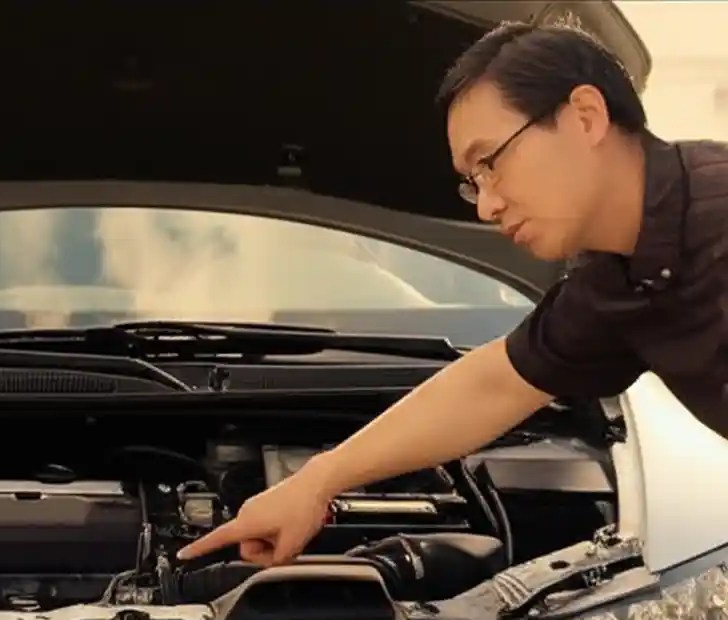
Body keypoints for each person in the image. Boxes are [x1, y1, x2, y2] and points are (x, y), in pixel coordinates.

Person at [177, 19, 728, 567]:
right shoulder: (615, 284)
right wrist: (315, 483)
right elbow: (496, 383)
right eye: (473, 182)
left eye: (491, 163)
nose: (487, 207)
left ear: (585, 116)